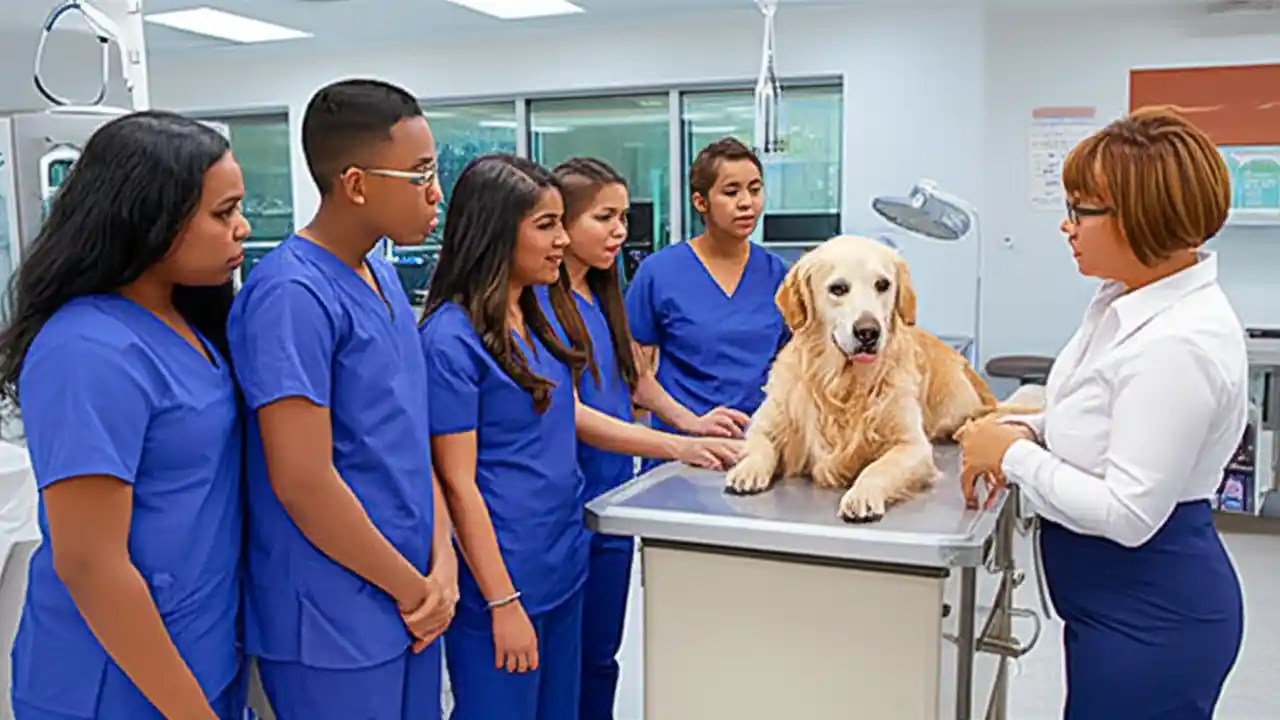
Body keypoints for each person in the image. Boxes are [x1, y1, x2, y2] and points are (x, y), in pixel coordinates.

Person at [421, 153, 740, 720]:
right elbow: (457, 484)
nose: (562, 241)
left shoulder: (536, 321)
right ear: (496, 232)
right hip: (508, 570)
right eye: (547, 226)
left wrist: (683, 440)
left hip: (562, 556)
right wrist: (502, 601)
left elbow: (568, 411)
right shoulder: (452, 339)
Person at [958, 106, 1245, 720]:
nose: (1067, 226)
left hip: (1153, 613)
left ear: (1144, 216)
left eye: (1081, 210)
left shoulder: (1177, 343)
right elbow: (1091, 413)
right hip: (1111, 602)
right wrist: (1025, 426)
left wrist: (1012, 455)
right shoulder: (1121, 299)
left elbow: (1129, 513)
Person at [0, 111, 248, 719]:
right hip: (111, 681)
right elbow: (89, 564)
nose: (242, 230)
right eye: (222, 213)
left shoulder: (190, 324)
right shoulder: (86, 349)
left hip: (200, 648)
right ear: (149, 218)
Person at [226, 78, 456, 720]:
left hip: (410, 599)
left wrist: (442, 561)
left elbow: (408, 441)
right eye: (419, 175)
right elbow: (302, 481)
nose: (436, 194)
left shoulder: (380, 275)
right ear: (356, 184)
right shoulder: (291, 297)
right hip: (334, 618)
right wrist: (414, 587)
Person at [546, 157, 749, 719]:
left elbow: (635, 380)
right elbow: (570, 411)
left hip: (613, 495)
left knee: (602, 656)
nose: (619, 231)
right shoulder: (541, 303)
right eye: (604, 218)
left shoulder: (602, 293)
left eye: (623, 217)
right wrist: (675, 446)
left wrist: (691, 420)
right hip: (568, 495)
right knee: (563, 660)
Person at [624, 137, 789, 470]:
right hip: (681, 452)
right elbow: (634, 375)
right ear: (700, 202)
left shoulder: (780, 276)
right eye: (731, 192)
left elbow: (795, 366)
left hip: (761, 450)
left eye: (755, 190)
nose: (747, 203)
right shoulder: (659, 273)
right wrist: (688, 423)